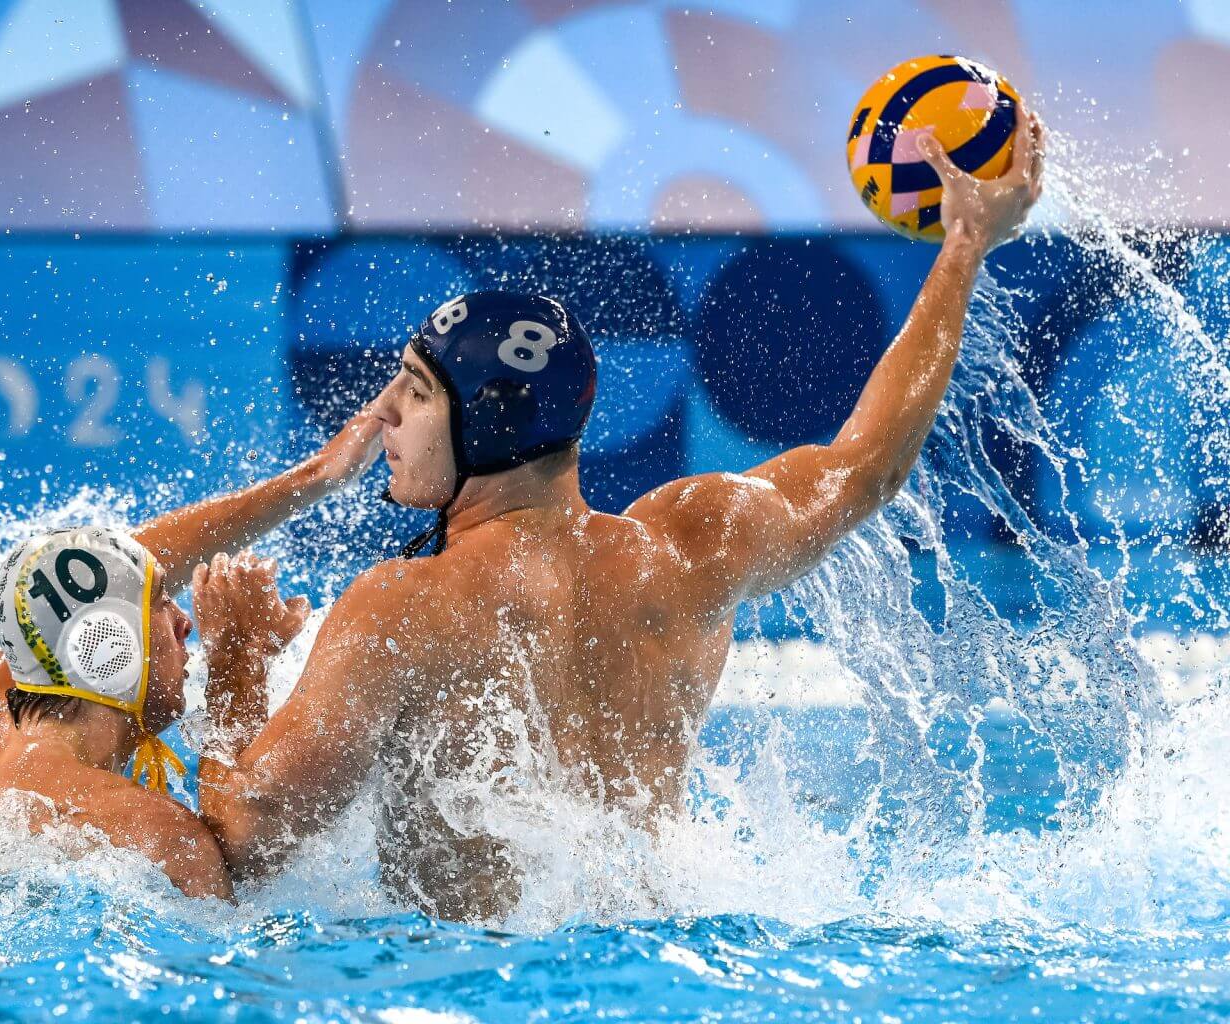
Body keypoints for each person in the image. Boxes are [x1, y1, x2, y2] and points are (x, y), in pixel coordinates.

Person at [190, 109, 1046, 920]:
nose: (382, 415)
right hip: (660, 943)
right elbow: (867, 468)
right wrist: (965, 244)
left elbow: (248, 843)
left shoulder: (401, 607)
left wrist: (232, 662)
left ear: (487, 422)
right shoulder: (694, 546)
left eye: (415, 392)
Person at [0, 415, 379, 897]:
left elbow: (90, 578)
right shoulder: (157, 836)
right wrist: (238, 660)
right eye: (163, 601)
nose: (185, 621)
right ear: (105, 643)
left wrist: (316, 475)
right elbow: (244, 868)